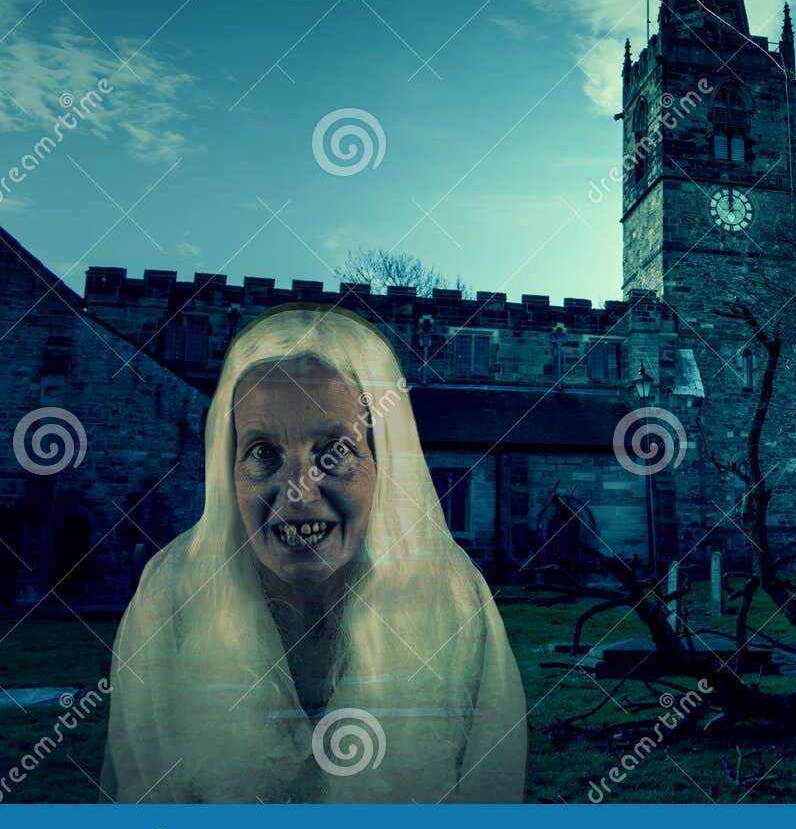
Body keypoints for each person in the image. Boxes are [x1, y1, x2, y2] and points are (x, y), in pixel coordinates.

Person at [100, 304, 527, 802]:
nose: (299, 493)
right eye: (263, 452)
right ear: (227, 465)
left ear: (384, 461)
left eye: (336, 452)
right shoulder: (170, 596)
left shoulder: (452, 600)